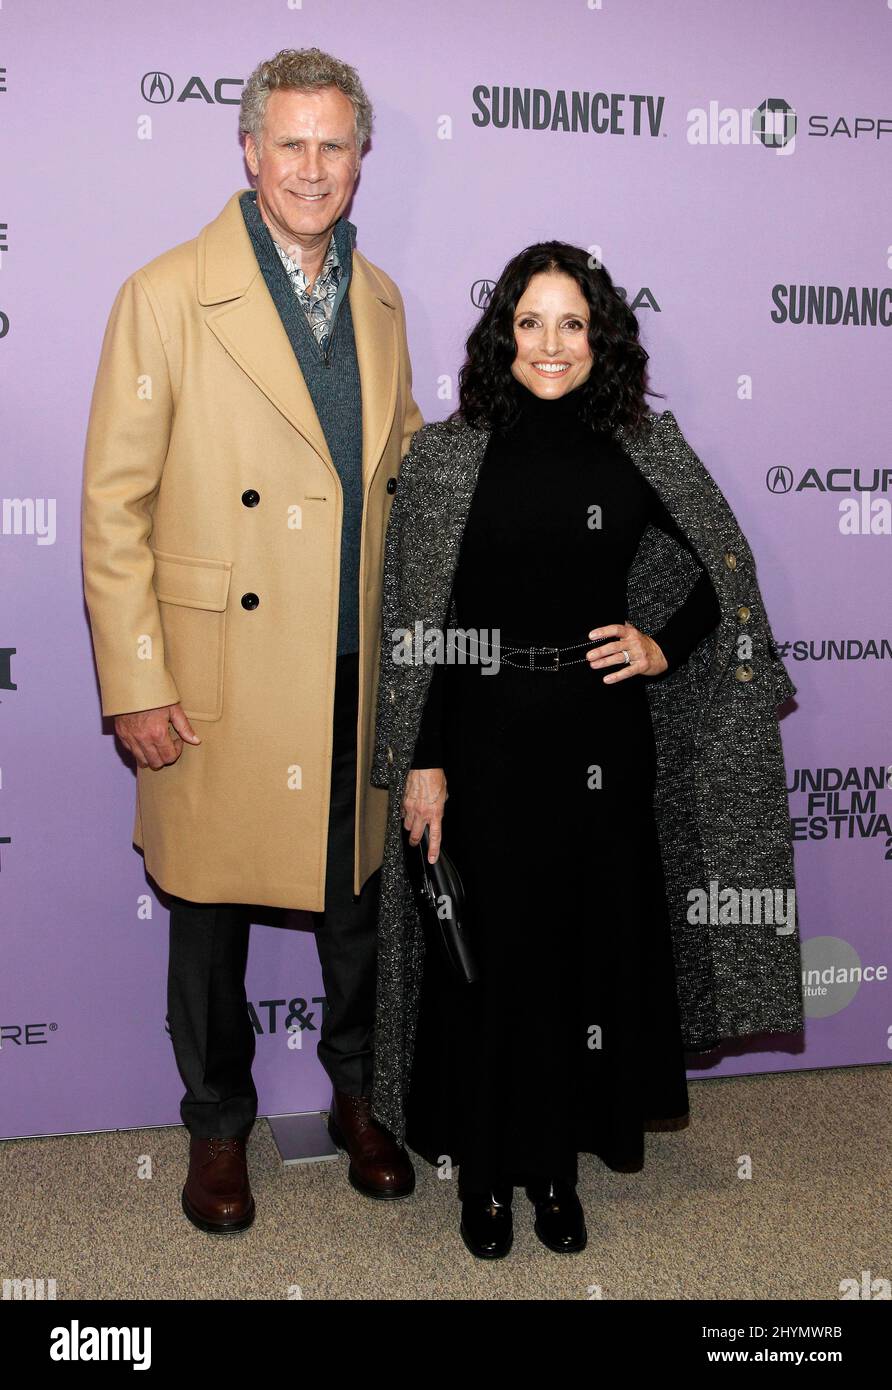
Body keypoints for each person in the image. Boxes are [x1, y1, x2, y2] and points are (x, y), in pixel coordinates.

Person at [369, 242, 803, 1260]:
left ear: (599, 336)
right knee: (488, 969)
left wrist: (665, 643)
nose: (550, 344)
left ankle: (554, 1174)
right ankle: (484, 1178)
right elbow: (418, 624)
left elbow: (721, 571)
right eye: (530, 322)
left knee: (575, 965)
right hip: (482, 739)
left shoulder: (641, 446)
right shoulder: (447, 456)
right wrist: (423, 761)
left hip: (600, 740)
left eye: (572, 323)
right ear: (501, 334)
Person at [81, 47, 422, 1234]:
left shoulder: (380, 303)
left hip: (349, 668)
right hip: (221, 667)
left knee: (360, 906)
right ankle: (217, 1128)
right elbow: (114, 508)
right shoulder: (166, 292)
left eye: (334, 146)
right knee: (209, 912)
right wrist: (135, 680)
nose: (312, 169)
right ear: (247, 150)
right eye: (290, 143)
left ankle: (358, 1101)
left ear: (359, 158)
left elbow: (408, 480)